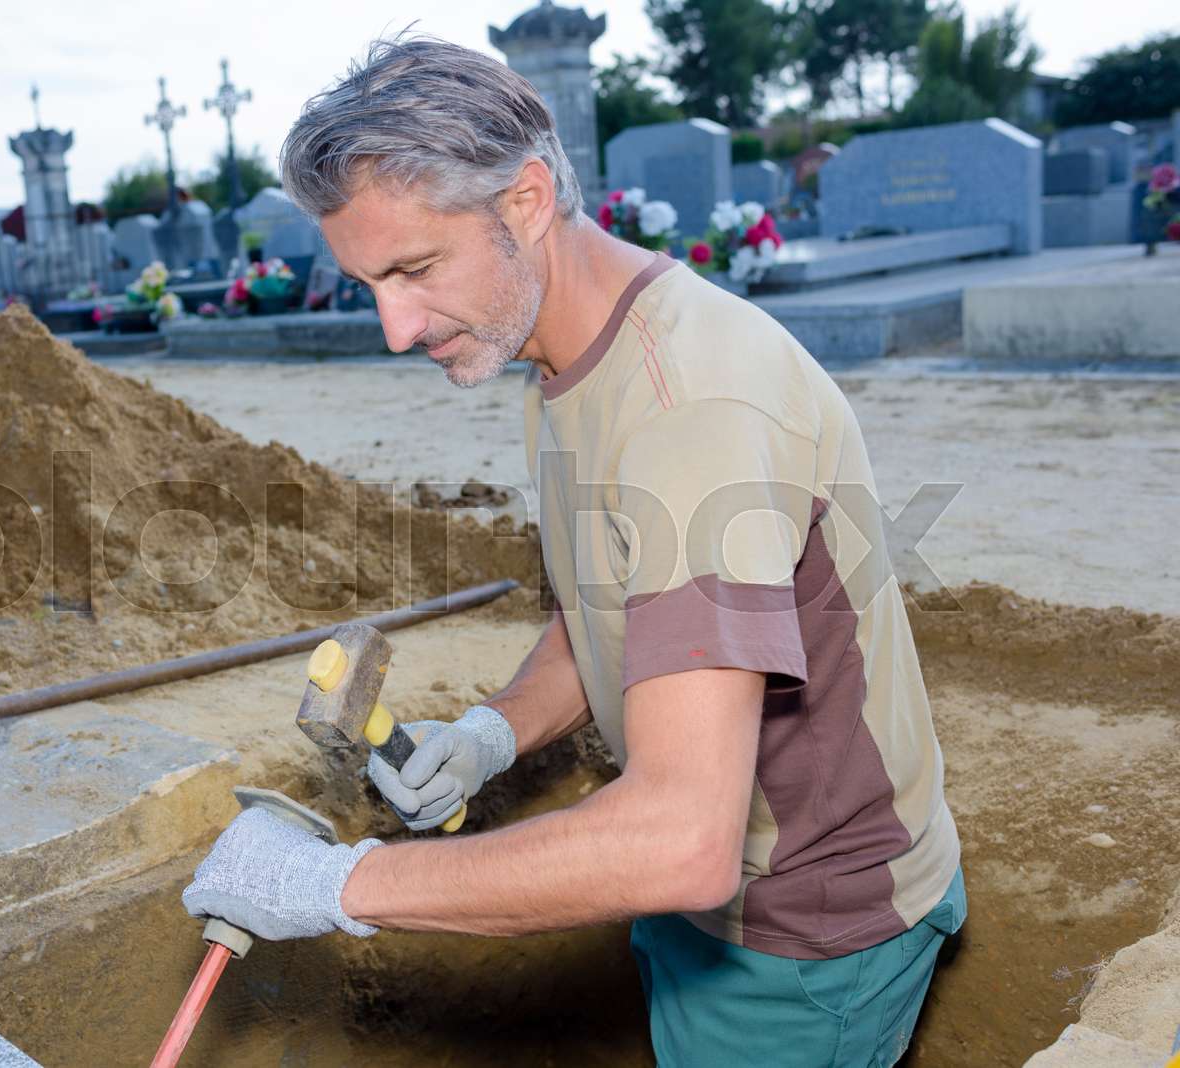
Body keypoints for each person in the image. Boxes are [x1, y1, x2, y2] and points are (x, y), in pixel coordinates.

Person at [181, 35, 964, 1066]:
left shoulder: (690, 410)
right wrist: (493, 733)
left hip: (804, 934)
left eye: (413, 269)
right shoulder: (564, 360)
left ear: (525, 201)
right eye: (369, 282)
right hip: (715, 902)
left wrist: (332, 886)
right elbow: (614, 608)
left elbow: (683, 840)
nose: (394, 327)